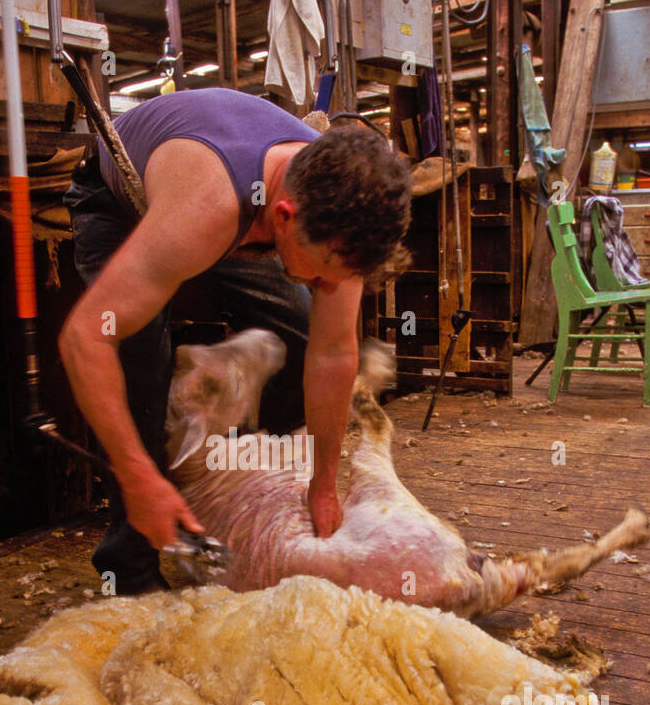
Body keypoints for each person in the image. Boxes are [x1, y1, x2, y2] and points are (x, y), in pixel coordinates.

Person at [61, 87, 410, 594]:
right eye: (322, 274)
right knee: (138, 359)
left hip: (229, 200)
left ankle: (222, 476)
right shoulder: (207, 209)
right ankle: (130, 563)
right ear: (285, 220)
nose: (329, 286)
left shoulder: (339, 210)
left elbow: (333, 353)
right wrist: (139, 476)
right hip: (122, 197)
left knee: (299, 328)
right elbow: (84, 338)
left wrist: (323, 484)